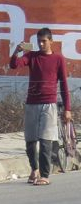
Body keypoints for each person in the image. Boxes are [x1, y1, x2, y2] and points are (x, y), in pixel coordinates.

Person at [10, 27, 72, 186]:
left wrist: (67, 109)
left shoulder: (58, 58)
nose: (41, 44)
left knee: (45, 140)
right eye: (39, 41)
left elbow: (64, 84)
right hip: (32, 103)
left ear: (51, 41)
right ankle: (34, 169)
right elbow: (14, 65)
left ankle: (45, 175)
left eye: (44, 41)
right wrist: (17, 51)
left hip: (49, 104)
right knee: (30, 140)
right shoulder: (31, 56)